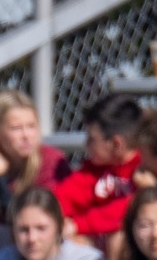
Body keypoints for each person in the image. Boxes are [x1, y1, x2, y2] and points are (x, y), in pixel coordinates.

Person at [0, 89, 71, 260]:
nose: (26, 136)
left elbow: (30, 220)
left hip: (36, 243)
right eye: (16, 129)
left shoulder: (51, 161)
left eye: (31, 126)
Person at [54, 94, 143, 245]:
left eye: (92, 138)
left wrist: (78, 224)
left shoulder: (143, 168)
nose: (86, 144)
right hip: (96, 239)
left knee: (118, 240)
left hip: (133, 247)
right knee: (70, 242)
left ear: (116, 144)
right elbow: (66, 196)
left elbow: (129, 209)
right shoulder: (95, 168)